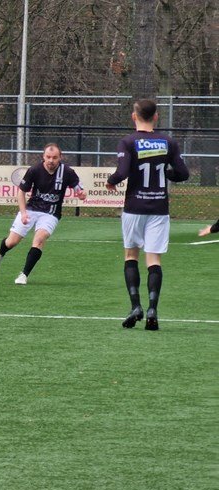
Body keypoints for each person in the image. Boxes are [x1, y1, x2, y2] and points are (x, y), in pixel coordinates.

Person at [106, 98, 190, 330]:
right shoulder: (168, 142)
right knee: (153, 259)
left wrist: (111, 181)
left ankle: (136, 306)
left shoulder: (128, 141)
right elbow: (183, 174)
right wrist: (167, 174)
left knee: (131, 256)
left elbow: (122, 172)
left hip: (134, 207)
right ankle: (153, 308)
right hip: (159, 208)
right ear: (156, 117)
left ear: (134, 117)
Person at [0, 143, 86, 284]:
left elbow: (80, 189)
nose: (51, 160)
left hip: (51, 213)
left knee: (39, 239)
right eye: (48, 157)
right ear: (43, 156)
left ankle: (24, 275)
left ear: (60, 157)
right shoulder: (34, 170)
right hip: (31, 209)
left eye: (54, 157)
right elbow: (21, 192)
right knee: (12, 241)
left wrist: (82, 194)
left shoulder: (68, 172)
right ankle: (0, 253)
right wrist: (23, 213)